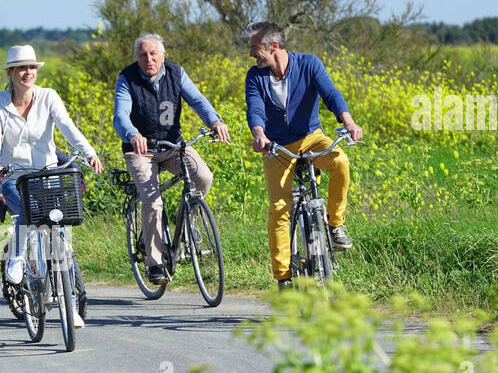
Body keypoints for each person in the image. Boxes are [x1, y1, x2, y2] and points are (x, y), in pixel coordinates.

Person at [0, 44, 103, 328]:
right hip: (14, 177)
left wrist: (88, 152)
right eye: (22, 68)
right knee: (28, 208)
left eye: (32, 68)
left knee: (61, 238)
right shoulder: (0, 103)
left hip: (48, 174)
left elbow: (67, 126)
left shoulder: (49, 97)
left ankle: (70, 305)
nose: (28, 73)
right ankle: (17, 258)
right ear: (12, 72)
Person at [242, 20, 363, 290]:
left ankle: (335, 225)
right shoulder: (255, 76)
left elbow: (331, 94)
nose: (251, 53)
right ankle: (283, 277)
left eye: (254, 47)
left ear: (273, 46)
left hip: (311, 137)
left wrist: (349, 122)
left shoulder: (308, 64)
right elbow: (255, 108)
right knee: (279, 209)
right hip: (277, 146)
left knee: (340, 161)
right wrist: (259, 134)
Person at [112, 33, 230, 285]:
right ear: (137, 58)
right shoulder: (127, 79)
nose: (148, 59)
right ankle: (154, 263)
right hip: (140, 150)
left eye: (153, 53)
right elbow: (120, 114)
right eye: (143, 55)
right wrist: (133, 134)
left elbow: (198, 100)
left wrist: (215, 121)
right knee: (153, 203)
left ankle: (186, 223)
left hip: (172, 145)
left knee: (203, 177)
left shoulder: (176, 74)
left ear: (163, 55)